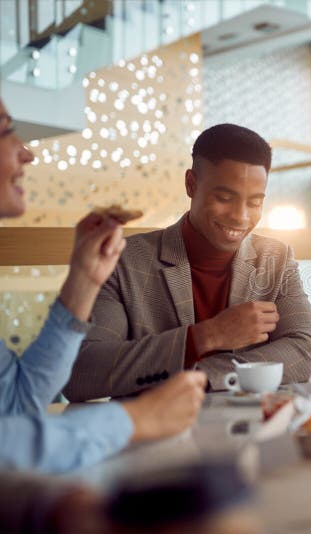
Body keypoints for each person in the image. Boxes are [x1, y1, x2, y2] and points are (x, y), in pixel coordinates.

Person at [0, 95, 207, 473]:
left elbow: (15, 404)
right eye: (4, 132)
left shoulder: (274, 258)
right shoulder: (137, 260)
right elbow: (82, 377)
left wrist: (82, 279)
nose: (26, 153)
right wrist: (136, 419)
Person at [64, 124, 311, 400]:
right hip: (153, 436)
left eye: (254, 202)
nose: (240, 216)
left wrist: (203, 376)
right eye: (225, 198)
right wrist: (205, 336)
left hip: (252, 434)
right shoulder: (126, 261)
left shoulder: (277, 259)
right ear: (191, 184)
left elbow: (306, 351)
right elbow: (81, 372)